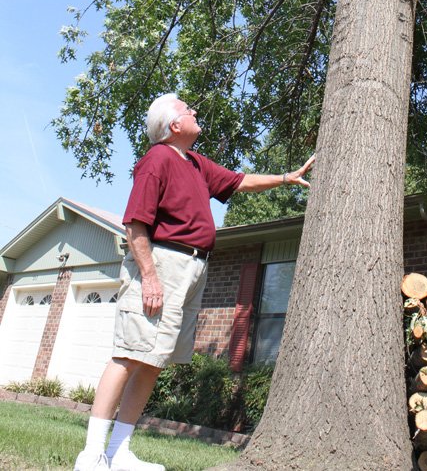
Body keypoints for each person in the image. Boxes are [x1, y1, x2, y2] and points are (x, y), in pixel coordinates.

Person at [74, 93, 314, 471]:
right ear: (173, 125)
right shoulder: (157, 159)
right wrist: (150, 278)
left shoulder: (196, 164)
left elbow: (240, 181)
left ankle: (119, 452)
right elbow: (135, 223)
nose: (195, 112)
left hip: (194, 268)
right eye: (188, 110)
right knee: (128, 354)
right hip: (160, 264)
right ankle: (90, 455)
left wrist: (287, 178)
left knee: (154, 361)